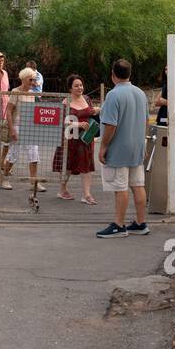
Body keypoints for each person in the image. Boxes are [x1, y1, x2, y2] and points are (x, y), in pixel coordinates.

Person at [95, 58, 149, 239]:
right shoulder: (141, 94)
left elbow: (110, 124)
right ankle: (141, 223)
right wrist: (144, 143)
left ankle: (119, 224)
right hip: (137, 146)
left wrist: (103, 146)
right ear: (129, 74)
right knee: (138, 184)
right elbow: (145, 121)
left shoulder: (113, 95)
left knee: (120, 187)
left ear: (113, 75)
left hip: (119, 148)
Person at [55, 74, 97, 204]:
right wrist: (78, 124)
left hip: (86, 139)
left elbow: (91, 114)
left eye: (81, 85)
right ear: (70, 88)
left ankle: (87, 194)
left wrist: (96, 111)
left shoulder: (87, 98)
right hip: (70, 139)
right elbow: (62, 122)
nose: (80, 88)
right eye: (76, 86)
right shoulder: (66, 102)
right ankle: (62, 190)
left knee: (87, 166)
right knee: (67, 165)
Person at [3, 67, 47, 192]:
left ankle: (33, 182)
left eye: (34, 80)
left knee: (34, 155)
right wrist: (12, 129)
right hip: (17, 126)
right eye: (30, 79)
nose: (32, 82)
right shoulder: (15, 92)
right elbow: (9, 111)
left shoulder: (32, 94)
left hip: (30, 127)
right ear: (23, 79)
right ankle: (4, 178)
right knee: (13, 154)